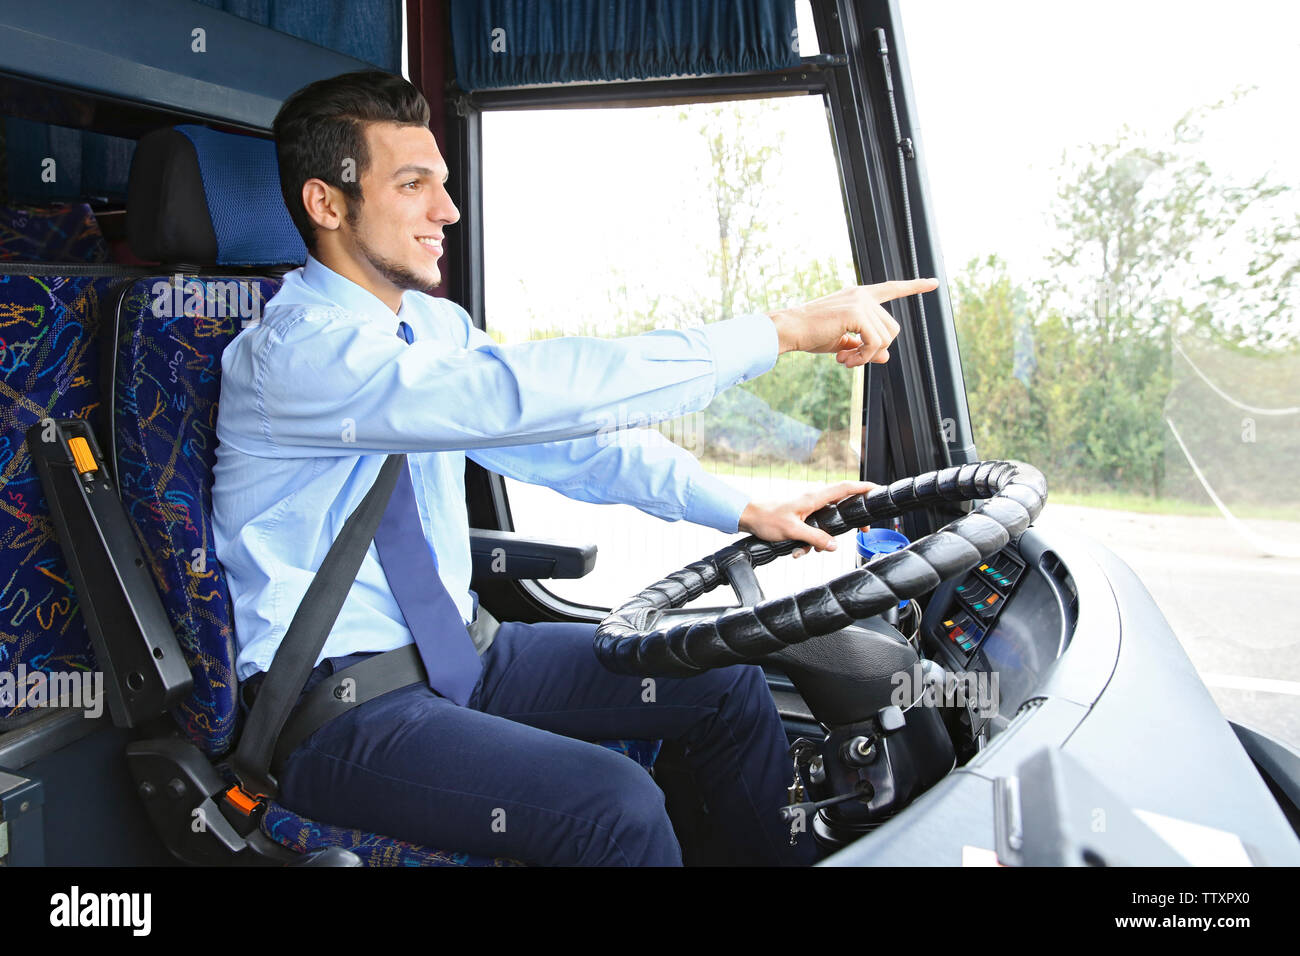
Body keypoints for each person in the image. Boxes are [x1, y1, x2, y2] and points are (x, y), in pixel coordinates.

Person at [211, 70, 937, 867]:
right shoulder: (294, 356)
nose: (446, 212)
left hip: (464, 652)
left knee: (723, 678)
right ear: (327, 204)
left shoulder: (430, 327)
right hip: (342, 704)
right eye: (413, 185)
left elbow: (566, 439)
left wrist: (742, 509)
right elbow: (530, 395)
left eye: (443, 185)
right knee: (613, 806)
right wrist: (781, 330)